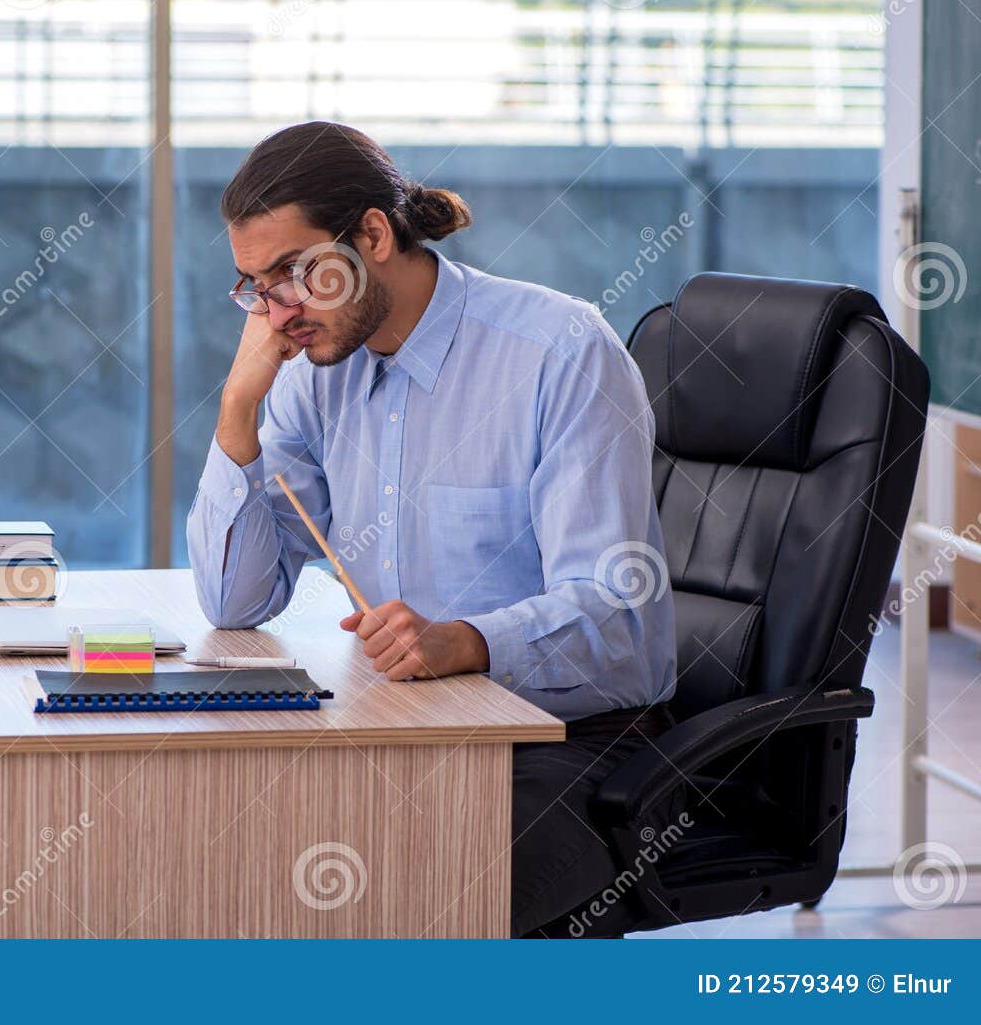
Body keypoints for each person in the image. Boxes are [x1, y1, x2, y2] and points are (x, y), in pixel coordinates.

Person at [186, 120, 677, 937]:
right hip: (408, 729)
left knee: (390, 888)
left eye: (292, 275)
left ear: (372, 235)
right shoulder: (314, 375)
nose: (277, 313)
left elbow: (622, 623)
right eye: (255, 288)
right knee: (229, 847)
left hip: (569, 741)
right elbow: (235, 601)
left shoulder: (556, 352)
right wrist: (238, 411)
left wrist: (466, 641)